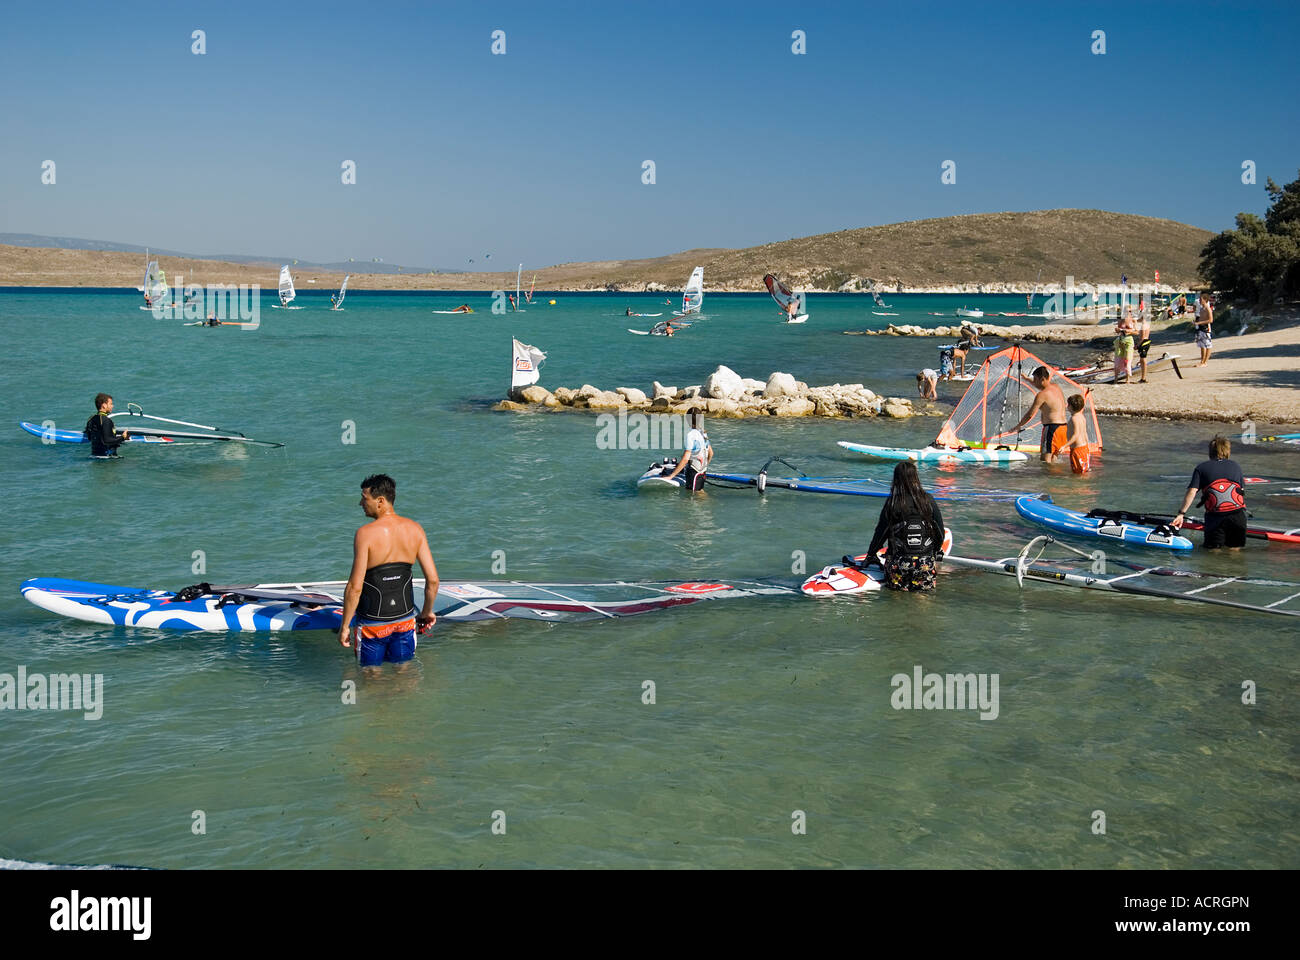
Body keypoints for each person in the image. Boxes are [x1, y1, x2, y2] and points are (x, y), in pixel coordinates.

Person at [339, 474, 439, 668]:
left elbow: (355, 587)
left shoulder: (365, 534)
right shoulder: (415, 529)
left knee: (371, 676)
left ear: (381, 501)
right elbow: (433, 581)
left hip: (372, 626)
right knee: (405, 673)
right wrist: (427, 612)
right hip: (405, 622)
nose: (360, 503)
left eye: (364, 498)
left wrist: (344, 626)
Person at [863, 461, 946, 592]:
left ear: (896, 479)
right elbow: (940, 533)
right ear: (916, 478)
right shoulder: (928, 500)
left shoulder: (893, 502)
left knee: (896, 598)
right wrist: (934, 553)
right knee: (923, 598)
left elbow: (881, 533)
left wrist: (871, 555)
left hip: (899, 563)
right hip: (924, 562)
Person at [1171, 436, 1246, 549]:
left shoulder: (1202, 468)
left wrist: (1181, 514)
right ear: (1227, 451)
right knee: (1234, 550)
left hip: (1216, 517)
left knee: (1213, 551)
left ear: (1210, 451)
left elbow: (1192, 492)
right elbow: (1242, 491)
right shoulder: (1236, 466)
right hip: (1237, 515)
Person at [1010, 366, 1068, 462]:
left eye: (1035, 379)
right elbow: (1038, 384)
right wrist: (1027, 379)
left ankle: (1047, 477)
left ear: (1042, 379)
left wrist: (1018, 426)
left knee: (1045, 461)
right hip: (1063, 428)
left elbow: (1030, 415)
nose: (1034, 382)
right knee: (1054, 459)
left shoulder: (1042, 395)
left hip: (1052, 429)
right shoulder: (1056, 387)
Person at [661, 411, 712, 491]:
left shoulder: (690, 435)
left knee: (696, 496)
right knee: (700, 494)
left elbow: (685, 458)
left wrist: (671, 476)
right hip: (702, 471)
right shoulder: (703, 433)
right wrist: (704, 466)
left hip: (694, 472)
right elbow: (711, 453)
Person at [83, 393, 130, 457]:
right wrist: (123, 437)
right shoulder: (106, 420)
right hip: (108, 458)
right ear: (104, 405)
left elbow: (89, 437)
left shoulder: (91, 419)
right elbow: (107, 440)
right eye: (111, 404)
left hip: (94, 455)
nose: (112, 406)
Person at [1063, 393, 1091, 474]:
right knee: (1083, 471)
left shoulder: (1074, 418)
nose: (1067, 406)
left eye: (1068, 404)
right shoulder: (1082, 417)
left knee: (1078, 473)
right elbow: (1085, 433)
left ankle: (1079, 487)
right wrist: (1087, 448)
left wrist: (1065, 446)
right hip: (1084, 448)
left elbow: (1076, 435)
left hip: (1077, 450)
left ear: (1071, 407)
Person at [1112, 311, 1136, 383]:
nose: (1128, 313)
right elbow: (1118, 331)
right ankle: (1115, 378)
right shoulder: (1121, 319)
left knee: (1127, 360)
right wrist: (1118, 330)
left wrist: (1126, 330)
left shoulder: (1133, 320)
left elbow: (1136, 332)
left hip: (1129, 340)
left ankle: (1127, 379)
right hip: (1120, 340)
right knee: (1118, 360)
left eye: (1129, 311)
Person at [1193, 295, 1214, 366]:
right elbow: (1201, 318)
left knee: (1207, 345)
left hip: (1206, 329)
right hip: (1200, 328)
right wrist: (1196, 322)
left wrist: (1199, 323)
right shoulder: (1202, 309)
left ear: (1205, 300)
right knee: (1202, 346)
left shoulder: (1208, 309)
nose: (1199, 300)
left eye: (1201, 299)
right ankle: (1202, 361)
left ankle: (1205, 362)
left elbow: (1211, 320)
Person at [1135, 307, 1153, 382]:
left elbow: (1142, 338)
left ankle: (1143, 378)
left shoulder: (1143, 326)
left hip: (1144, 343)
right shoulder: (1147, 324)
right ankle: (1143, 377)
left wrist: (1137, 346)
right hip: (1147, 342)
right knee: (1142, 360)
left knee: (1143, 360)